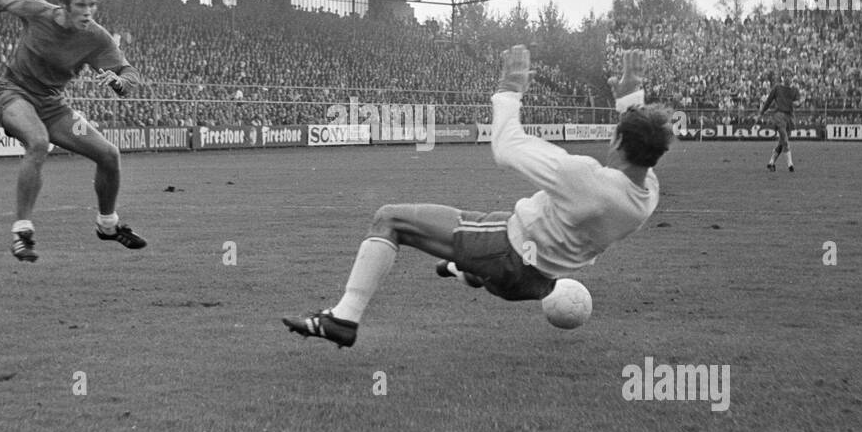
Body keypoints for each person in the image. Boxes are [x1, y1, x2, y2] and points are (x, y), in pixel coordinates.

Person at [282, 45, 673, 348]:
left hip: (507, 255)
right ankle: (463, 269)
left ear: (619, 141)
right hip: (539, 279)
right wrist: (630, 97)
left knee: (388, 218)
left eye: (615, 133)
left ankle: (344, 319)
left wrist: (510, 88)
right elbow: (643, 147)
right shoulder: (647, 194)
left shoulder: (585, 178)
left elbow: (506, 146)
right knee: (488, 229)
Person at [0, 0, 147, 261]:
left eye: (92, 5)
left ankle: (108, 225)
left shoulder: (96, 37)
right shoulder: (37, 10)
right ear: (65, 4)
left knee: (109, 155)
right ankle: (22, 233)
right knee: (38, 142)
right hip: (14, 93)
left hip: (53, 106)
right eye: (81, 5)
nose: (88, 12)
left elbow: (128, 71)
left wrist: (121, 83)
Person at [758, 69, 800, 172]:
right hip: (779, 116)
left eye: (789, 76)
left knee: (781, 142)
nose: (787, 77)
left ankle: (771, 163)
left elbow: (798, 101)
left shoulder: (795, 90)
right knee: (785, 139)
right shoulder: (777, 88)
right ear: (782, 77)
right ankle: (790, 165)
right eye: (785, 75)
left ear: (792, 77)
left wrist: (798, 103)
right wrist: (762, 112)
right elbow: (768, 101)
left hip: (789, 117)